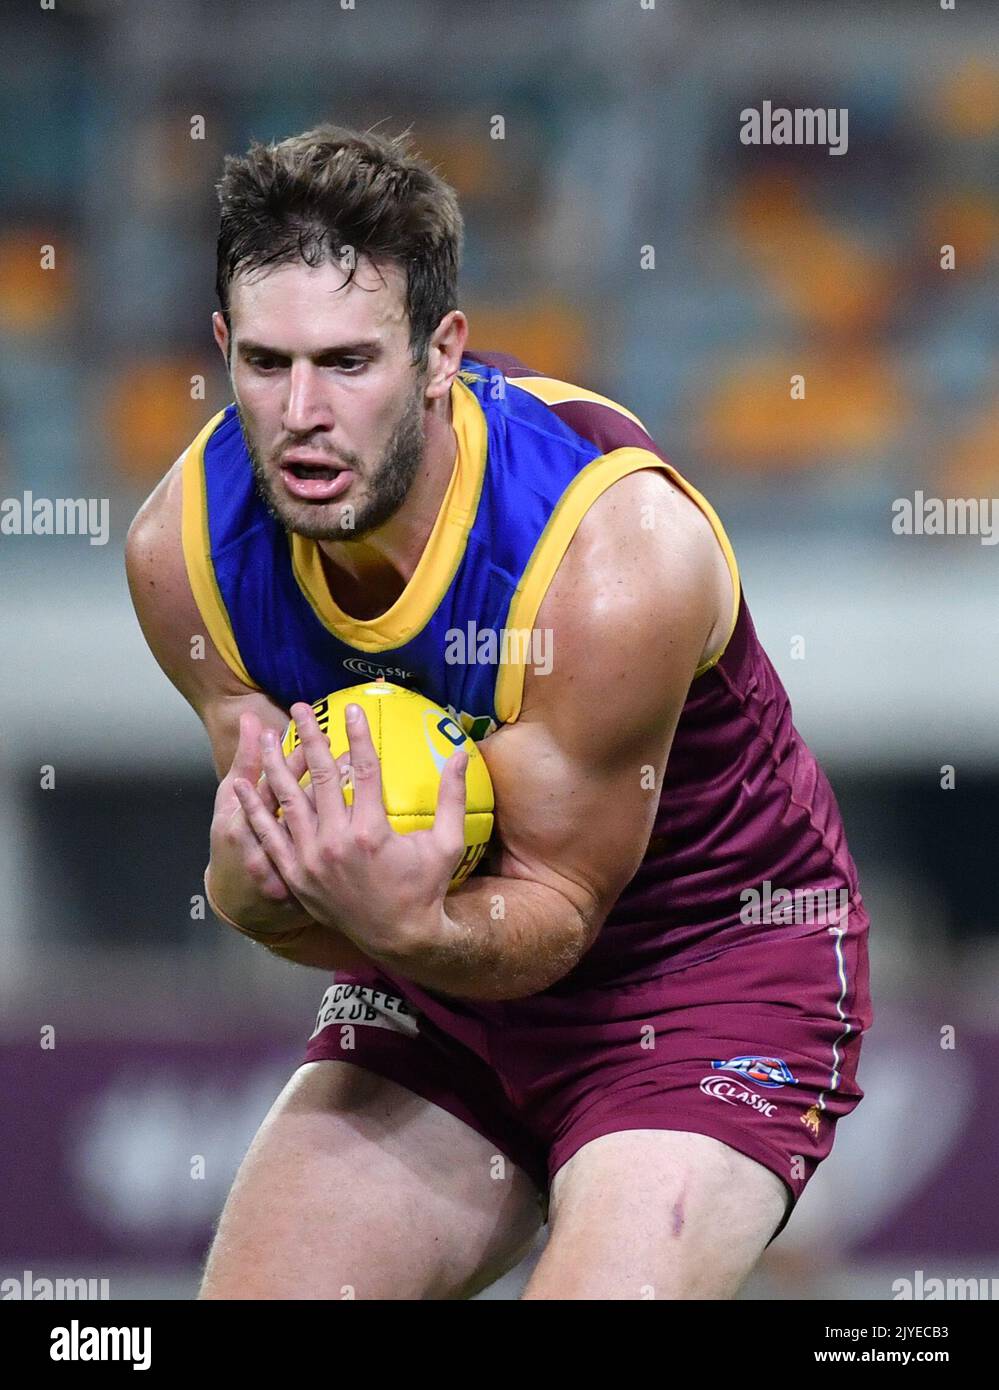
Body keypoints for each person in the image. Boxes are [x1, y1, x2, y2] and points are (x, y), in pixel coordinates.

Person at [125, 123, 871, 1300]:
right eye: (267, 364)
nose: (303, 411)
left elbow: (561, 909)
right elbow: (305, 887)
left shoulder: (610, 558)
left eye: (349, 363)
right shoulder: (183, 558)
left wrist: (399, 927)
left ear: (439, 352)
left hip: (700, 971)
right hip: (443, 985)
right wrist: (247, 893)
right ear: (221, 345)